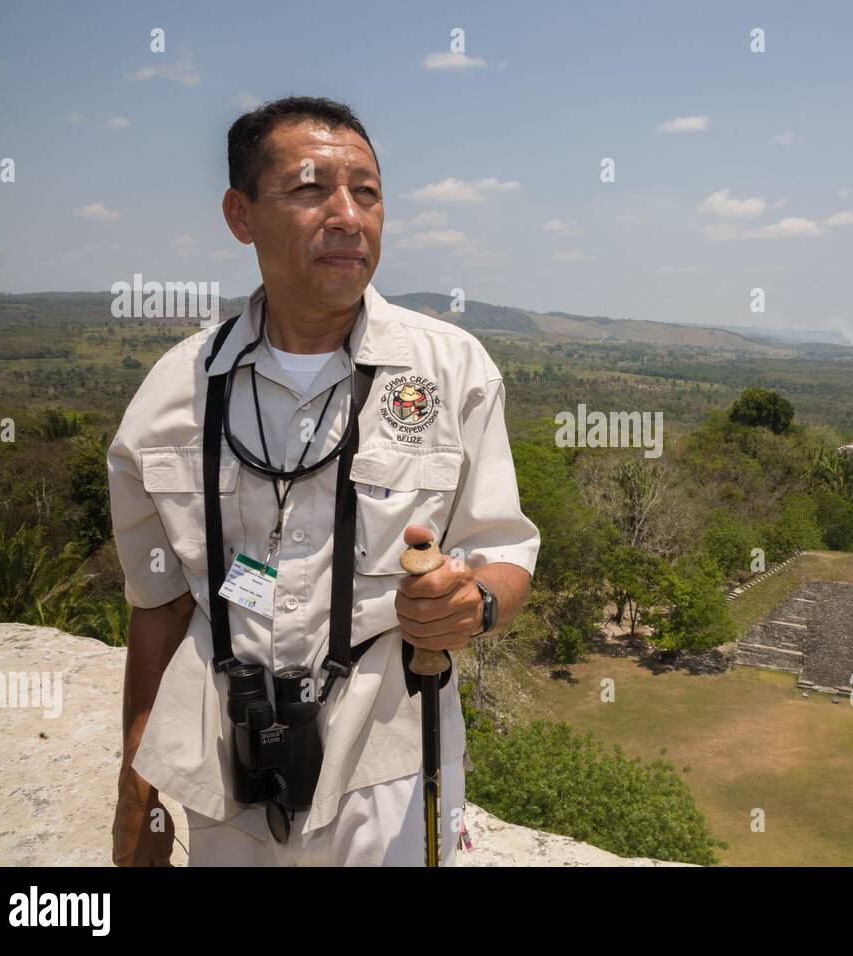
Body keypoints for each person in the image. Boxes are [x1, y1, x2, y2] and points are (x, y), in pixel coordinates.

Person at [107, 96, 539, 866]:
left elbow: (504, 553)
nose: (348, 215)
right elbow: (159, 602)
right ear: (241, 214)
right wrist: (136, 780)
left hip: (390, 758)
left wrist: (466, 607)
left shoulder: (452, 370)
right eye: (311, 189)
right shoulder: (175, 394)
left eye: (367, 192)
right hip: (221, 749)